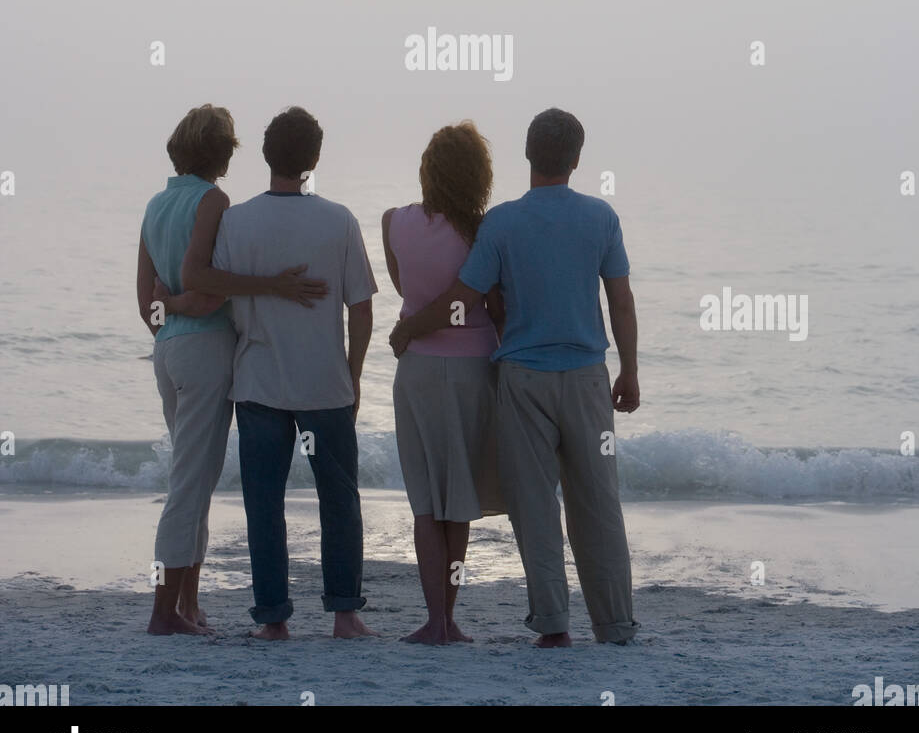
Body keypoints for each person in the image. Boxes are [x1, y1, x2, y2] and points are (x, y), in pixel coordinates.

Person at [391, 107, 640, 649]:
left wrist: (410, 327)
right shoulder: (601, 218)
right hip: (587, 378)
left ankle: (553, 627)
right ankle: (615, 624)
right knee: (598, 501)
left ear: (528, 155)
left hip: (523, 379)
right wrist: (631, 370)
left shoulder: (502, 222)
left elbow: (465, 296)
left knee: (534, 507)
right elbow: (619, 299)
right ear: (576, 160)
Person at [181, 106, 377, 641]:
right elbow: (361, 309)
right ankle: (344, 614)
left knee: (263, 504)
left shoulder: (237, 219)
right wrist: (354, 373)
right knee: (339, 499)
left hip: (259, 380)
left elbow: (215, 287)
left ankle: (273, 621)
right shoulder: (338, 219)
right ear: (314, 159)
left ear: (266, 155)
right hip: (324, 383)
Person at [137, 103, 322, 637]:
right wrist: (270, 286)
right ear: (220, 153)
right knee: (189, 484)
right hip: (204, 351)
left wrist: (173, 314)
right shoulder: (213, 200)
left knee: (195, 476)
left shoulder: (154, 205)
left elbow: (148, 303)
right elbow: (206, 279)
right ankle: (164, 612)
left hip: (167, 352)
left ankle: (188, 604)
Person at [382, 122, 505, 645]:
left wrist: (413, 325)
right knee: (459, 502)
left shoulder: (393, 222)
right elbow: (472, 305)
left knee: (427, 503)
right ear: (479, 176)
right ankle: (447, 620)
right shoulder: (484, 233)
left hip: (417, 372)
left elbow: (406, 290)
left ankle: (434, 620)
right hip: (474, 370)